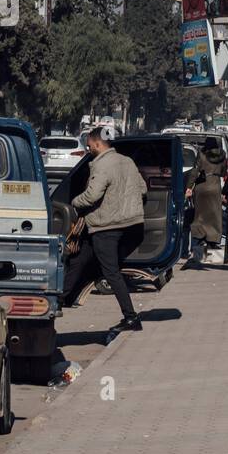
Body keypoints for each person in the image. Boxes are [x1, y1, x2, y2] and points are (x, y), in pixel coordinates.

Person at [62, 127, 148, 333]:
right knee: (79, 260)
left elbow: (91, 196)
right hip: (133, 226)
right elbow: (143, 189)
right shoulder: (127, 161)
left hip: (106, 227)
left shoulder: (102, 164)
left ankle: (131, 318)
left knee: (111, 272)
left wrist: (74, 202)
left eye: (89, 144)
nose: (88, 147)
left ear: (98, 143)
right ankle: (62, 297)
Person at [184, 137, 226, 262]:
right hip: (216, 186)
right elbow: (224, 172)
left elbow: (195, 172)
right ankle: (213, 242)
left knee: (200, 216)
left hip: (202, 187)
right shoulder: (222, 156)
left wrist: (189, 186)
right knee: (214, 216)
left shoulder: (202, 155)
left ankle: (198, 242)